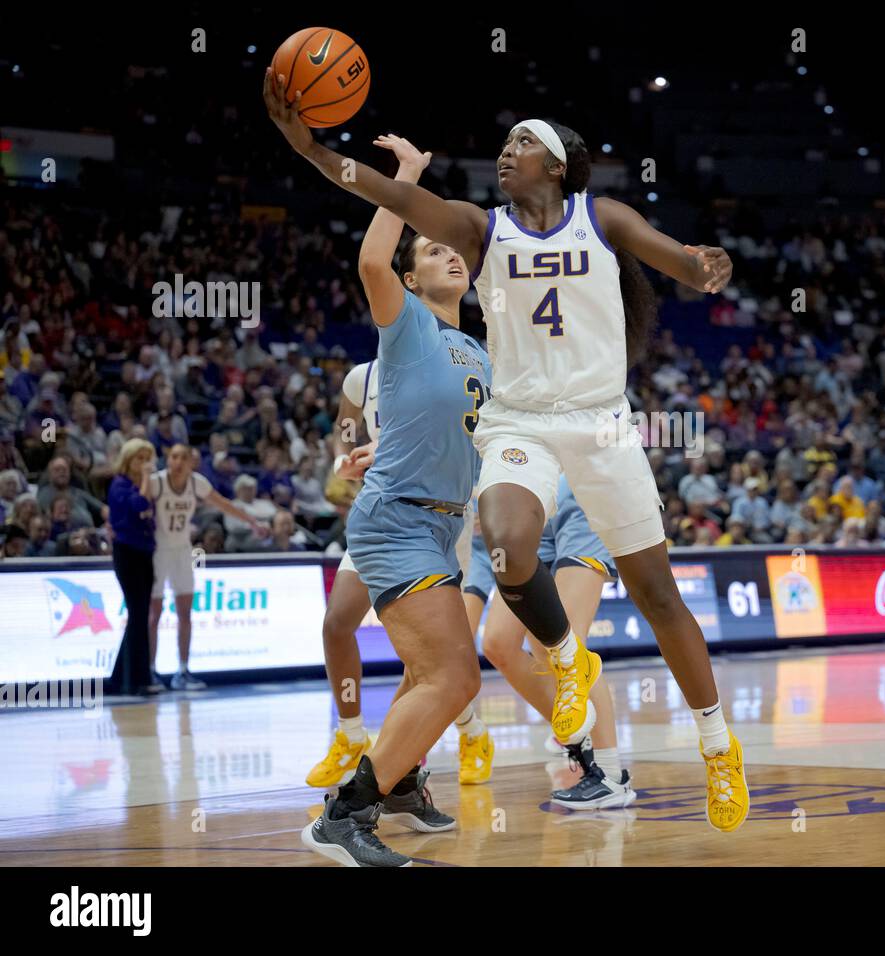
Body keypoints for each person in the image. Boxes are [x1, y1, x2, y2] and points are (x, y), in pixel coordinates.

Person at [265, 81, 749, 830]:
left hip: (601, 422)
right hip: (520, 421)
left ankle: (718, 746)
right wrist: (312, 150)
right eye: (504, 145)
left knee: (658, 594)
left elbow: (681, 264)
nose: (506, 155)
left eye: (523, 144)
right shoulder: (479, 229)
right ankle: (565, 660)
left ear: (557, 166)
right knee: (507, 541)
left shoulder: (603, 216)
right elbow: (385, 191)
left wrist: (704, 265)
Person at [293, 132, 492, 866]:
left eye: (454, 249)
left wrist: (399, 439)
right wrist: (405, 177)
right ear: (411, 282)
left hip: (445, 526)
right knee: (455, 675)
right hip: (396, 521)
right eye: (434, 251)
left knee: (425, 674)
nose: (451, 253)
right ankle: (345, 815)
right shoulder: (405, 325)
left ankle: (400, 780)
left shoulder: (481, 352)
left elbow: (473, 435)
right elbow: (373, 259)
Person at [473, 477, 634, 809]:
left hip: (581, 493)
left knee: (569, 641)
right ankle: (579, 736)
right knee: (499, 643)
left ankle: (610, 775)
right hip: (530, 497)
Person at [146, 443, 267, 690]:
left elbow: (223, 503)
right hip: (157, 552)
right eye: (173, 457)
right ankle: (149, 671)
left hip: (183, 552)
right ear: (168, 459)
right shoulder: (155, 482)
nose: (177, 462)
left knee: (185, 614)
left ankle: (182, 670)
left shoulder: (196, 482)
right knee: (154, 615)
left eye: (183, 458)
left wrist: (252, 521)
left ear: (192, 463)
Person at [106, 438, 158, 696]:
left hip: (146, 553)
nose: (145, 464)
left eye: (148, 459)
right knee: (137, 616)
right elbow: (139, 506)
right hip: (127, 554)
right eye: (140, 458)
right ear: (128, 460)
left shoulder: (143, 484)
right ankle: (133, 680)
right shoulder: (120, 485)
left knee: (140, 617)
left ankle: (126, 678)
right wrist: (147, 481)